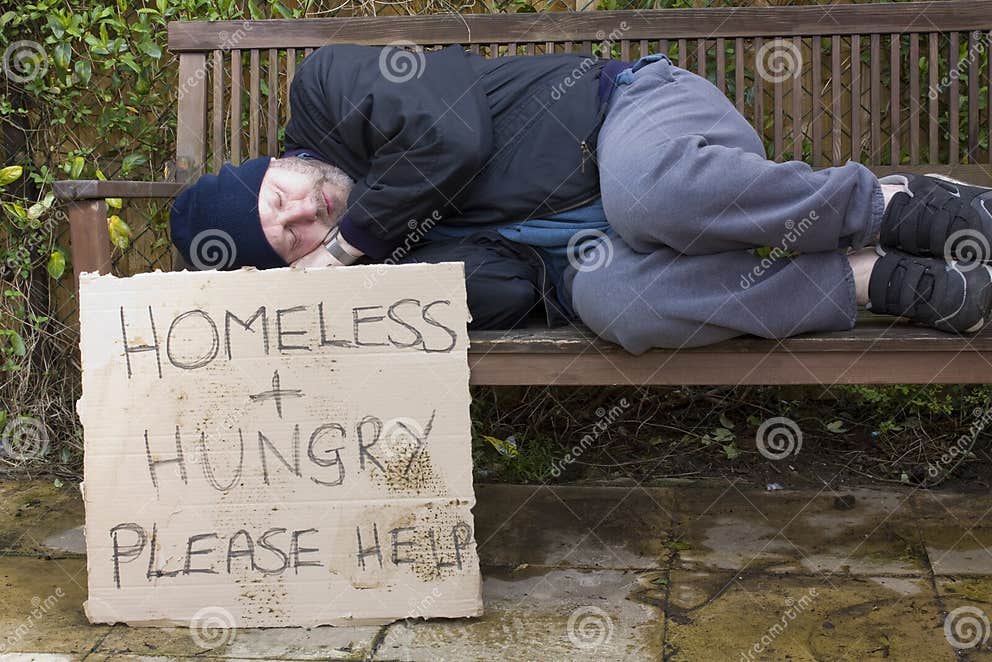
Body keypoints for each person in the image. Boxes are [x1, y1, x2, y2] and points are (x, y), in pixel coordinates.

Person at [169, 44, 992, 353]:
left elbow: (453, 132)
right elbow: (518, 290)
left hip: (633, 114)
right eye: (294, 241)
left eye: (283, 199)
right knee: (616, 304)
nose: (311, 218)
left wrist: (354, 250)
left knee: (643, 197)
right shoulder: (374, 259)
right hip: (607, 253)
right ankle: (871, 278)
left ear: (273, 160)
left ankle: (889, 203)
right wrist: (369, 280)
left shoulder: (330, 92)